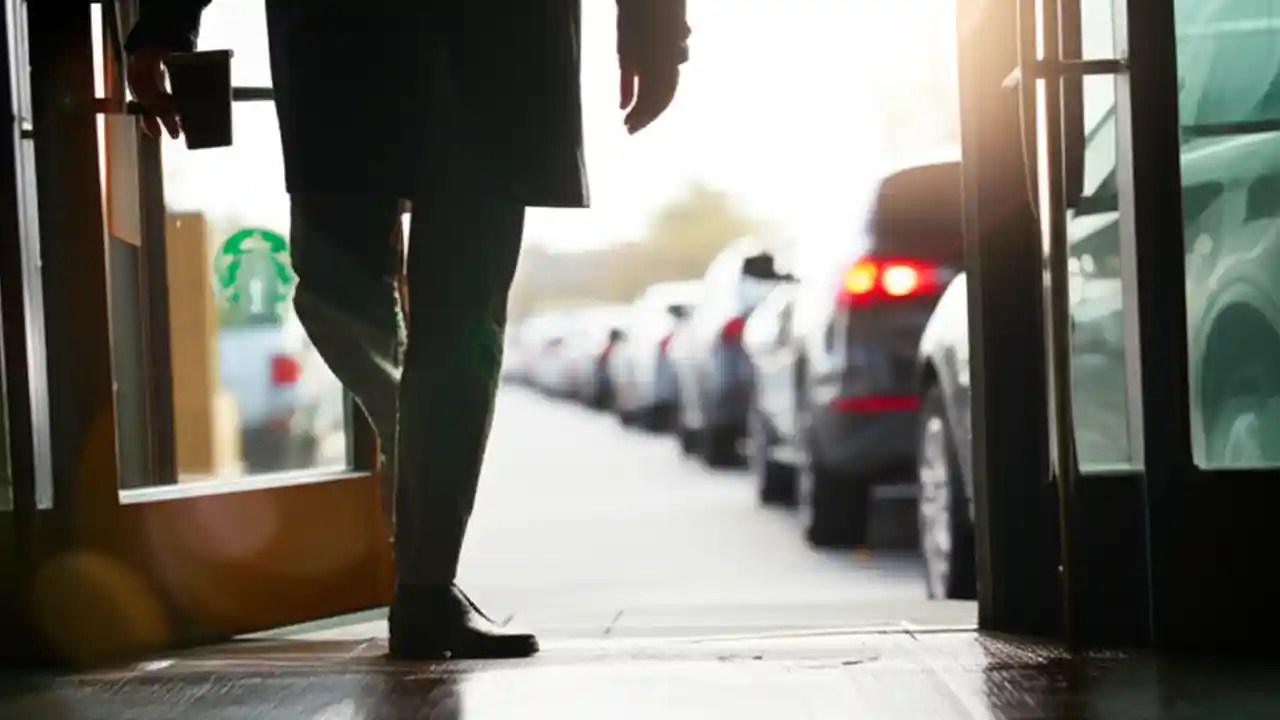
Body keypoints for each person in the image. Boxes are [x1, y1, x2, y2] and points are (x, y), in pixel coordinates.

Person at [125, 0, 688, 660]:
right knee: (332, 290)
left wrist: (654, 32)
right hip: (341, 39)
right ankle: (420, 453)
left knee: (462, 323)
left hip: (501, 44)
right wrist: (166, 19)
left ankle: (424, 590)